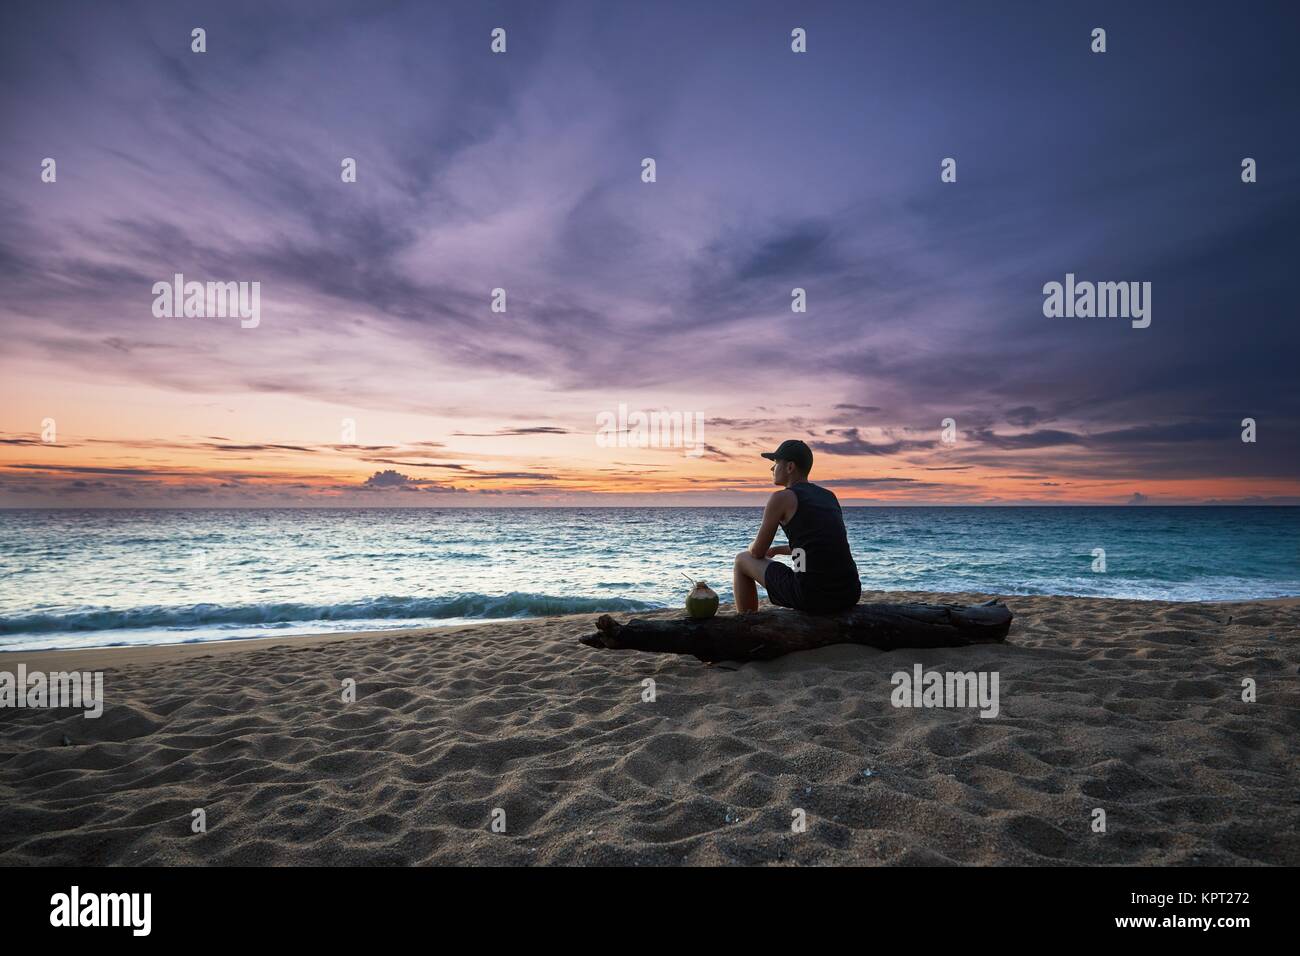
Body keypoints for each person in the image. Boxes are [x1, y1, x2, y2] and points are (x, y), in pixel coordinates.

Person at [732, 439, 862, 614]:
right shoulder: (829, 496)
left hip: (812, 596)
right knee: (802, 569)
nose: (772, 469)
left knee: (742, 560)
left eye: (776, 463)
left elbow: (757, 553)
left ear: (790, 467)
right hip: (849, 592)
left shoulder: (782, 498)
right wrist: (777, 549)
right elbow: (816, 547)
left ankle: (747, 625)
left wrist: (751, 548)